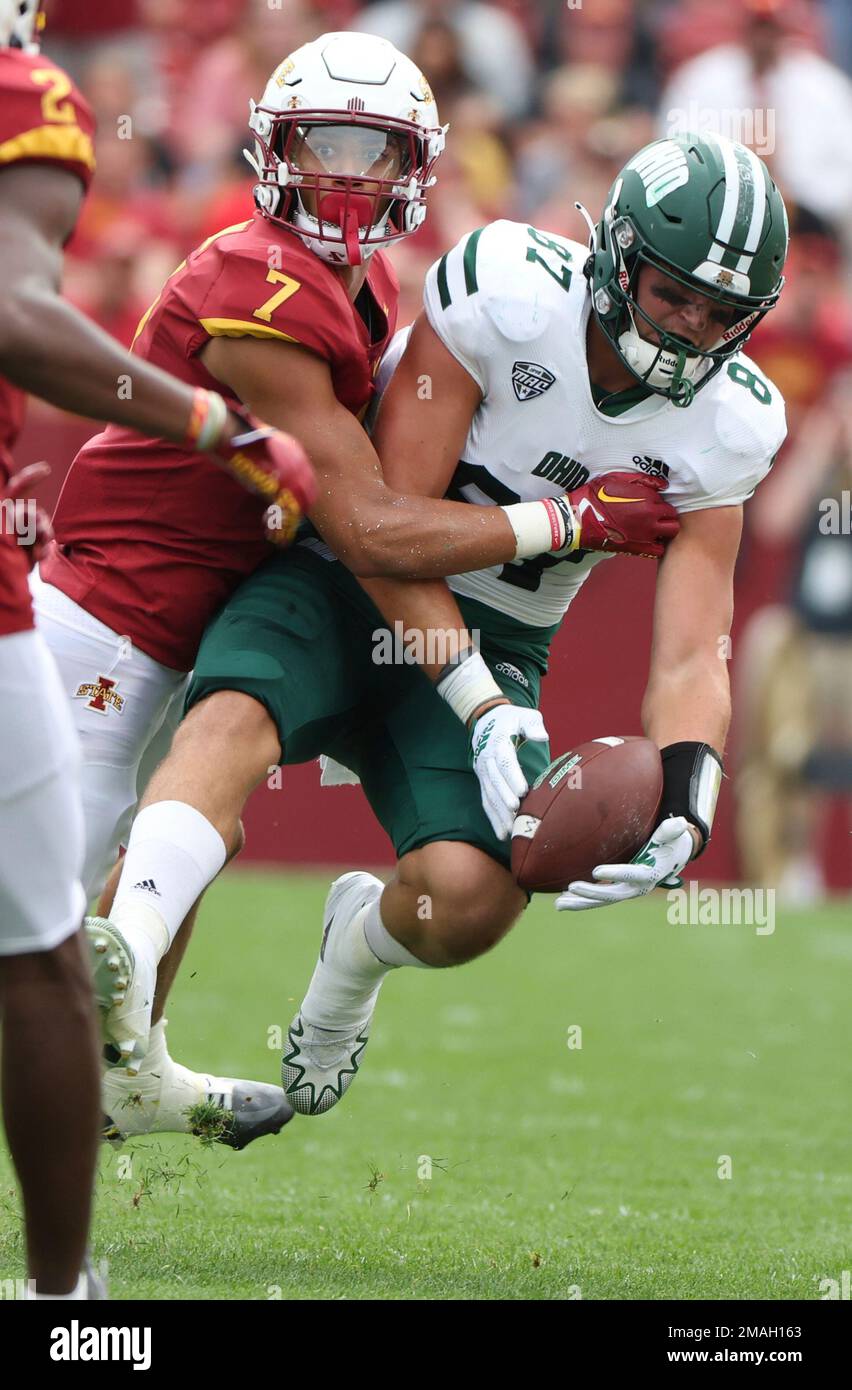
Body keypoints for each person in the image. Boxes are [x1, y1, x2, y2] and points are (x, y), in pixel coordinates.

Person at [33, 28, 669, 1144]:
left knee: (178, 839)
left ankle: (131, 1074)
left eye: (374, 151)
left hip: (155, 631)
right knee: (40, 908)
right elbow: (367, 523)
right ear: (274, 146)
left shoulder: (357, 286)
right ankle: (108, 1051)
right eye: (324, 142)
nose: (346, 174)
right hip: (102, 626)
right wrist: (565, 518)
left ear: (416, 165)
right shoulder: (260, 277)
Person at [91, 131, 788, 1121]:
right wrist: (481, 702)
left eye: (722, 314)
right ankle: (130, 954)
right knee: (230, 723)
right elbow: (384, 530)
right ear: (616, 256)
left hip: (505, 631)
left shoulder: (733, 424)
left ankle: (353, 956)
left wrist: (687, 792)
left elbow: (689, 650)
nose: (688, 330)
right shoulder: (506, 293)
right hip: (350, 580)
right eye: (672, 293)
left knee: (472, 900)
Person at [0, 0, 313, 1300]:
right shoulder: (27, 95)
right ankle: (68, 1305)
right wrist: (210, 421)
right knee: (37, 956)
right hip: (67, 610)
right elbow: (14, 312)